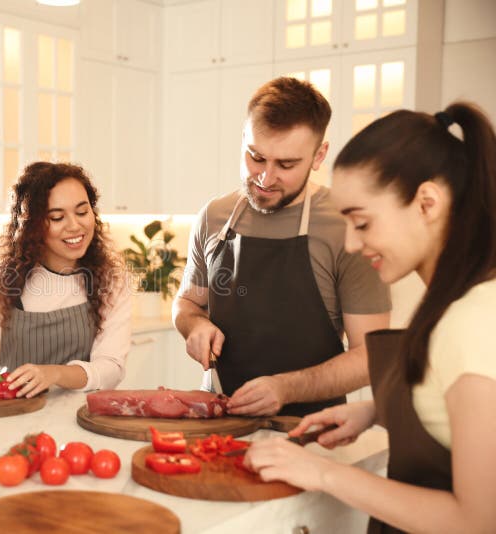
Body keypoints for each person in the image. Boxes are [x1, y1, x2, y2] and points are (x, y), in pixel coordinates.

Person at [245, 103, 496, 532]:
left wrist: (323, 473)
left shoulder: (471, 320)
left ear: (427, 203)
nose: (351, 243)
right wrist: (377, 411)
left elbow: (478, 521)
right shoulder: (463, 298)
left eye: (361, 223)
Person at [173, 77, 391, 416]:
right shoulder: (214, 217)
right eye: (256, 157)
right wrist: (194, 324)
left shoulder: (347, 228)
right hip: (221, 419)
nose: (265, 178)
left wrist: (287, 388)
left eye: (286, 165)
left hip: (311, 429)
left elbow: (371, 355)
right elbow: (187, 301)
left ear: (319, 156)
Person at [0, 161, 131, 398]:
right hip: (13, 413)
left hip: (80, 413)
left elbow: (111, 368)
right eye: (57, 217)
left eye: (82, 212)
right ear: (32, 226)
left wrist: (55, 374)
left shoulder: (111, 280)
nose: (75, 226)